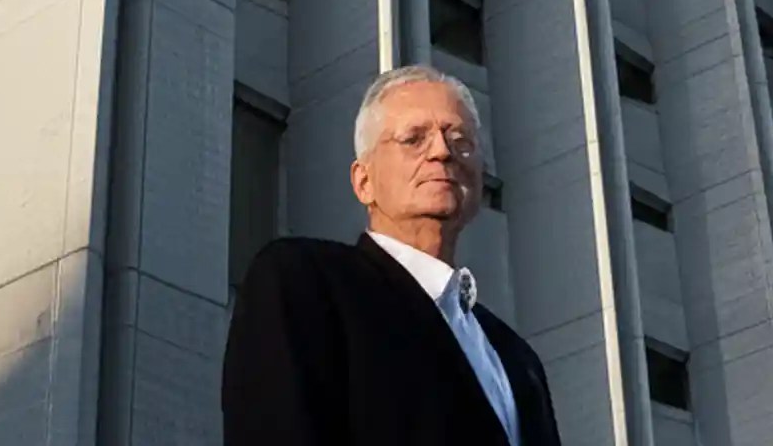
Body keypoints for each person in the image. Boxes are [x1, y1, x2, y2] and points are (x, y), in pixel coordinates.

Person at [222, 65, 562, 445]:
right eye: (414, 139)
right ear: (363, 181)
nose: (442, 152)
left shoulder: (517, 358)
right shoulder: (307, 282)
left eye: (461, 139)